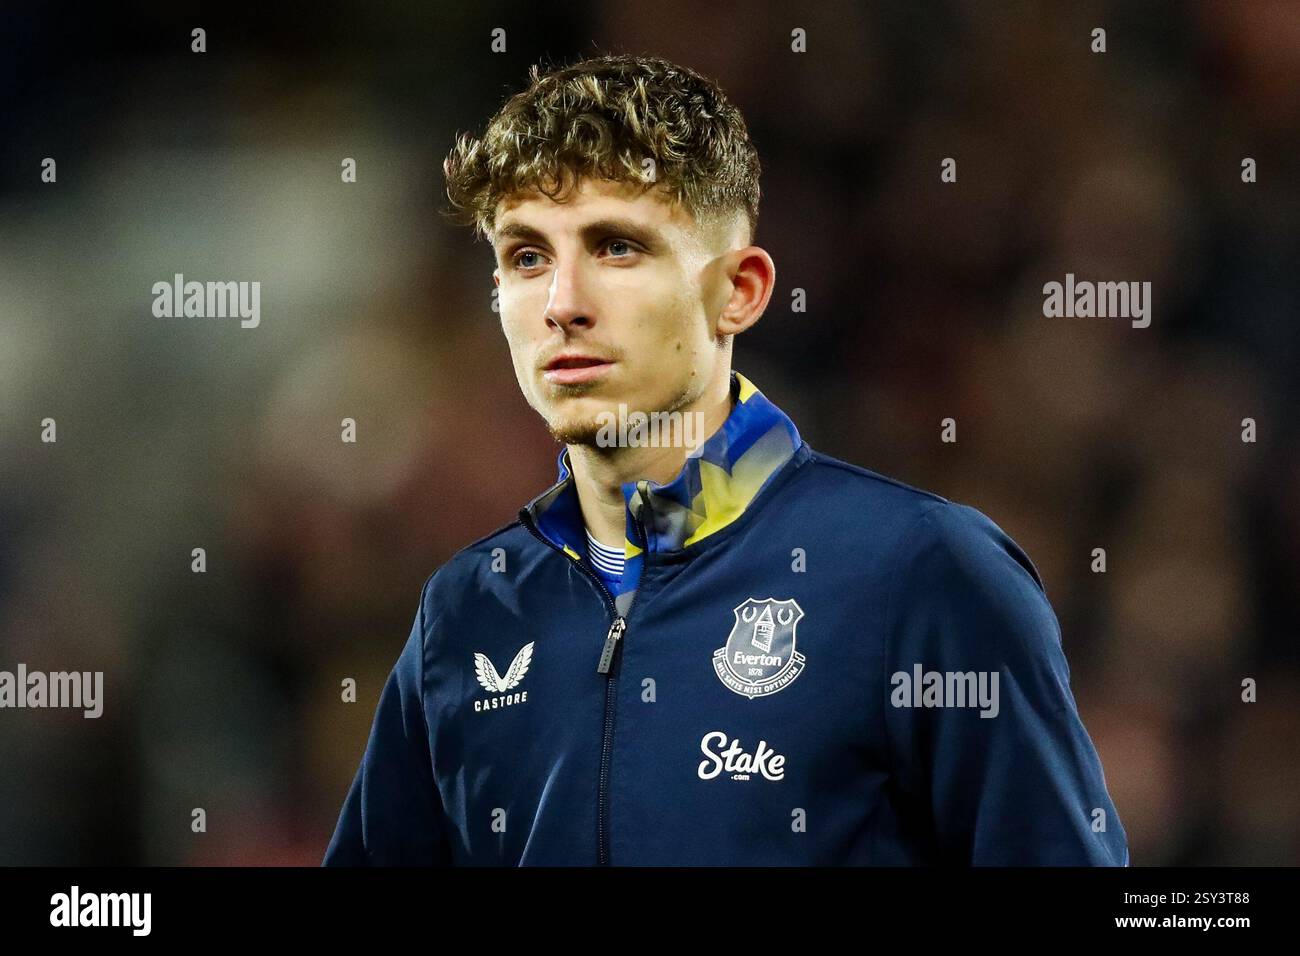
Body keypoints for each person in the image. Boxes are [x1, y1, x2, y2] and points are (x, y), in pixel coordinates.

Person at [323, 53, 1128, 866]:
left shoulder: (921, 574)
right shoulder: (466, 612)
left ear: (738, 290)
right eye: (526, 257)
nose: (562, 304)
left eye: (616, 247)